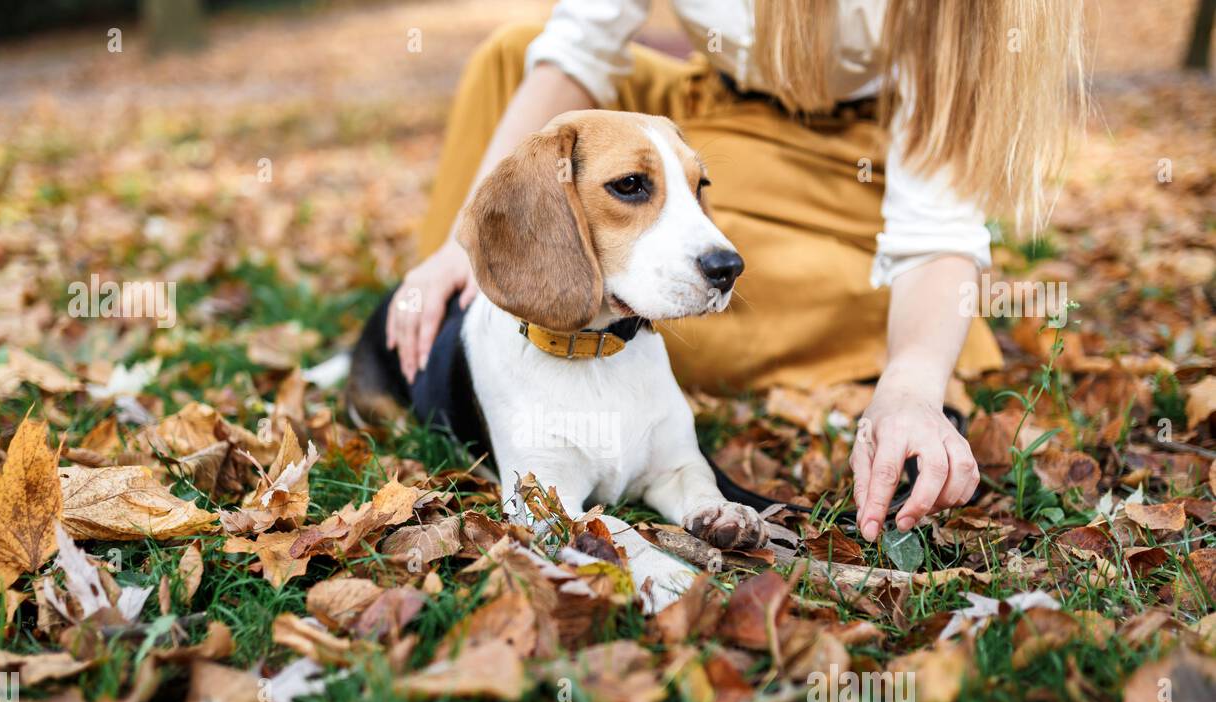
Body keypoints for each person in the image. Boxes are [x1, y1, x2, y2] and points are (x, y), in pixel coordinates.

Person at [386, 0, 1084, 541]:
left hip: (843, 153)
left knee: (692, 265)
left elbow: (937, 227)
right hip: (702, 101)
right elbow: (576, 43)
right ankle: (475, 284)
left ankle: (884, 330)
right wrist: (461, 244)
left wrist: (913, 384)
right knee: (508, 57)